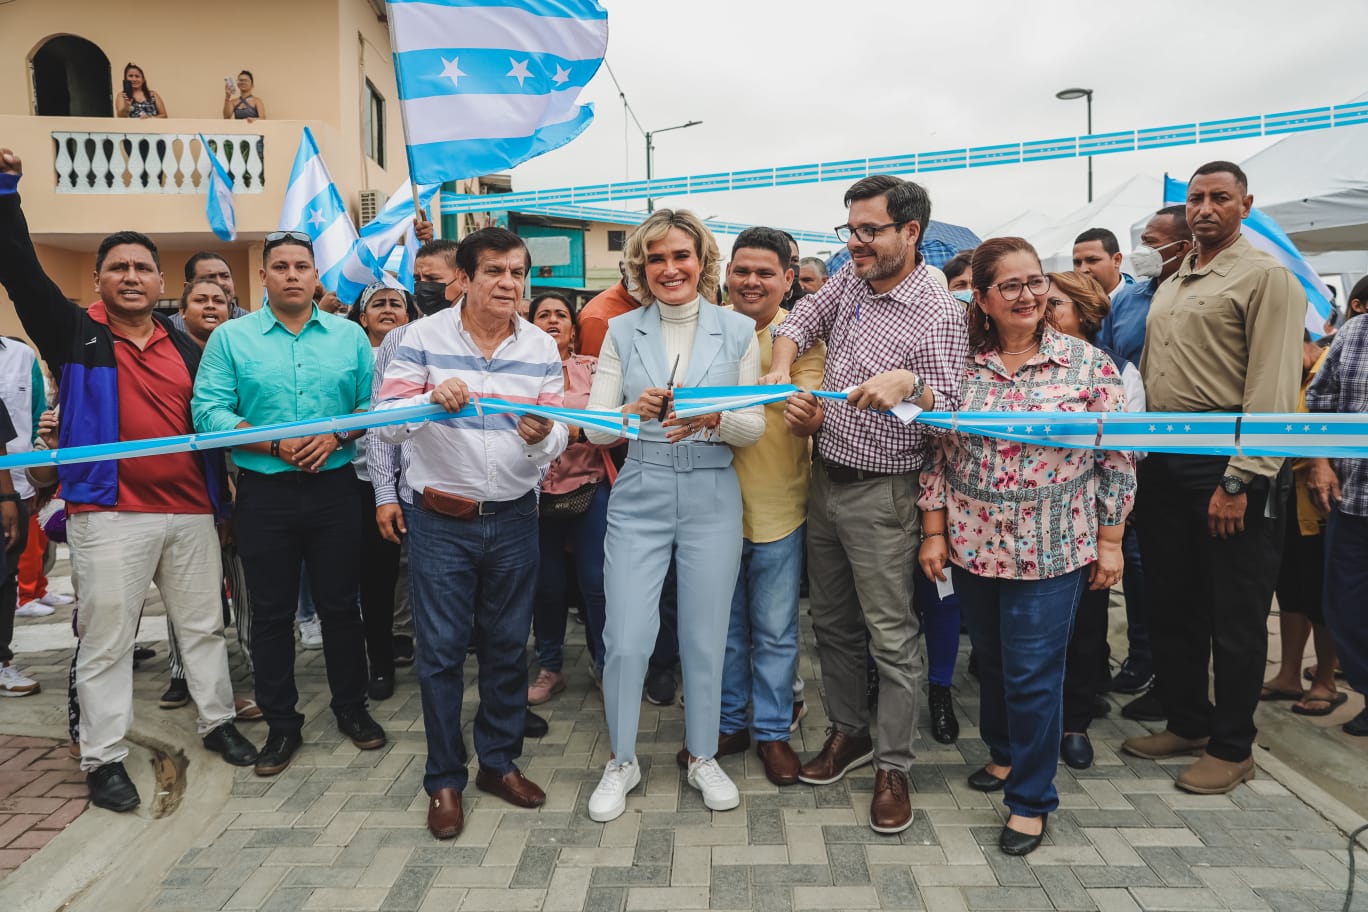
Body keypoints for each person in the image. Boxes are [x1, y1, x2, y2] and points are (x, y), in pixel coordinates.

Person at [0, 147, 256, 811]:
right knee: (109, 639)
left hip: (192, 511)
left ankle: (218, 722)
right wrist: (6, 192)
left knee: (202, 627)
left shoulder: (189, 345)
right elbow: (19, 271)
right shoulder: (73, 332)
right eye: (120, 267)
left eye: (144, 266)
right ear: (99, 278)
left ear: (159, 276)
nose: (133, 276)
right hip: (109, 513)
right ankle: (103, 757)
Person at [761, 175, 967, 835]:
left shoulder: (940, 309)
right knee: (834, 628)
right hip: (826, 481)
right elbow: (800, 319)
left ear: (911, 233)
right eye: (850, 228)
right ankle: (847, 735)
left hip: (887, 495)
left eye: (869, 230)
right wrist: (780, 366)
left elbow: (955, 417)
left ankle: (894, 766)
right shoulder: (850, 280)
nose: (855, 242)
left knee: (892, 636)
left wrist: (915, 386)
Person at [920, 238, 1134, 856]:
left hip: (1055, 547)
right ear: (981, 299)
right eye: (1009, 286)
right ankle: (1007, 756)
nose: (1028, 296)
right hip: (972, 542)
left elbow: (1116, 457)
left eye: (1035, 282)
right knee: (990, 659)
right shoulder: (959, 368)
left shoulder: (1088, 365)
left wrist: (1111, 540)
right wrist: (934, 532)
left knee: (1035, 672)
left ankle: (1032, 801)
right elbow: (937, 453)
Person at [373, 228, 566, 841]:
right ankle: (444, 779)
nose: (509, 284)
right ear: (465, 278)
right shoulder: (419, 338)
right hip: (440, 521)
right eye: (494, 272)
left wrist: (544, 437)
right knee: (441, 654)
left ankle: (499, 764)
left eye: (518, 272)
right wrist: (429, 399)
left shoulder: (540, 347)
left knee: (510, 647)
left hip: (513, 518)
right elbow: (385, 421)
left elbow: (561, 430)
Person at [1122, 161, 1304, 794]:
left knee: (1235, 613)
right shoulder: (1177, 277)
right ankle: (1188, 721)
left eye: (1219, 198)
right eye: (1196, 198)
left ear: (1244, 205)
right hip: (1165, 462)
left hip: (1227, 465)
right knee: (1174, 602)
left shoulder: (1266, 277)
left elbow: (1275, 389)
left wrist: (1241, 479)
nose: (1204, 208)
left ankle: (1233, 746)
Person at [584, 209, 764, 823]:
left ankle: (704, 755)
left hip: (713, 488)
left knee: (704, 637)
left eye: (680, 256)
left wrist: (716, 417)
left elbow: (754, 426)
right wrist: (631, 411)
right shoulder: (619, 331)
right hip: (641, 486)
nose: (669, 268)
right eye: (655, 258)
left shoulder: (737, 330)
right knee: (627, 637)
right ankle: (623, 760)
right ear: (640, 268)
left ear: (701, 261)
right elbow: (593, 426)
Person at [192, 230, 384, 779]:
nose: (293, 275)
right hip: (265, 492)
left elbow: (372, 406)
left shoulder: (348, 337)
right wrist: (273, 442)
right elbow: (208, 414)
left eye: (302, 265)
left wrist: (337, 434)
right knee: (272, 615)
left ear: (315, 274)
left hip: (335, 488)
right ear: (265, 276)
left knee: (341, 606)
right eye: (281, 266)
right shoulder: (232, 339)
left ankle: (351, 708)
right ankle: (282, 724)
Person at [707, 227, 824, 785]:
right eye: (741, 270)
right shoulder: (702, 332)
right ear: (726, 274)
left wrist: (809, 415)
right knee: (723, 630)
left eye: (764, 273)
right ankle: (729, 724)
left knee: (776, 630)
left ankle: (773, 732)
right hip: (709, 509)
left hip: (780, 509)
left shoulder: (802, 342)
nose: (751, 281)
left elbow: (809, 408)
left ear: (788, 279)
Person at [1093, 207, 1193, 715]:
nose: (1145, 249)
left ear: (1183, 243)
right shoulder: (1127, 300)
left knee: (1158, 568)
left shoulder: (1194, 298)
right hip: (1128, 452)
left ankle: (1165, 668)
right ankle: (1141, 660)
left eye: (1155, 241)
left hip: (1185, 454)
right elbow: (1109, 367)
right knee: (1132, 562)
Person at [1044, 270, 1144, 770]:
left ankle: (1074, 723)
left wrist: (1112, 537)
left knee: (1086, 627)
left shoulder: (1116, 371)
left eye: (1056, 303)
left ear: (1083, 312)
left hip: (1087, 523)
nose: (1044, 309)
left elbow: (1128, 454)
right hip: (1028, 527)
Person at [527, 292, 610, 703]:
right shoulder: (517, 373)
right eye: (543, 314)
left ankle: (605, 663)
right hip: (534, 496)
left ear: (574, 330)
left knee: (595, 582)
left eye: (561, 315)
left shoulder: (593, 370)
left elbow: (612, 422)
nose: (553, 320)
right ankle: (550, 667)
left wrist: (572, 431)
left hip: (590, 487)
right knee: (547, 586)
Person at [1261, 330, 1342, 717]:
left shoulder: (1330, 367)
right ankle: (1288, 674)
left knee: (1323, 595)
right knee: (1291, 588)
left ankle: (1325, 680)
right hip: (1288, 497)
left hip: (1327, 497)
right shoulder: (1288, 378)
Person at [348, 282, 418, 701]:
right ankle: (380, 663)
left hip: (413, 480)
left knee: (417, 576)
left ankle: (413, 644)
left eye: (397, 303)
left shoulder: (419, 352)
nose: (389, 309)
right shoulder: (351, 356)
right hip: (361, 483)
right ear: (362, 318)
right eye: (378, 303)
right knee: (376, 577)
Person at [1306, 278, 1368, 737]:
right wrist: (1321, 463)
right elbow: (1320, 401)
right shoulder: (1355, 332)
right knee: (1343, 606)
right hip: (1353, 499)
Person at [167, 253, 249, 335]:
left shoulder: (252, 324)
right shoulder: (170, 329)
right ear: (187, 288)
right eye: (210, 278)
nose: (220, 283)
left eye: (225, 276)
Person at [1071, 228, 1125, 299]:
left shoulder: (1141, 303)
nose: (1082, 269)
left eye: (1092, 260)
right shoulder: (1069, 304)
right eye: (1077, 263)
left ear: (1116, 260)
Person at [176, 279, 231, 348]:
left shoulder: (242, 351)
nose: (210, 305)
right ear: (183, 311)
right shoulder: (171, 352)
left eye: (218, 301)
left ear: (229, 312)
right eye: (200, 300)